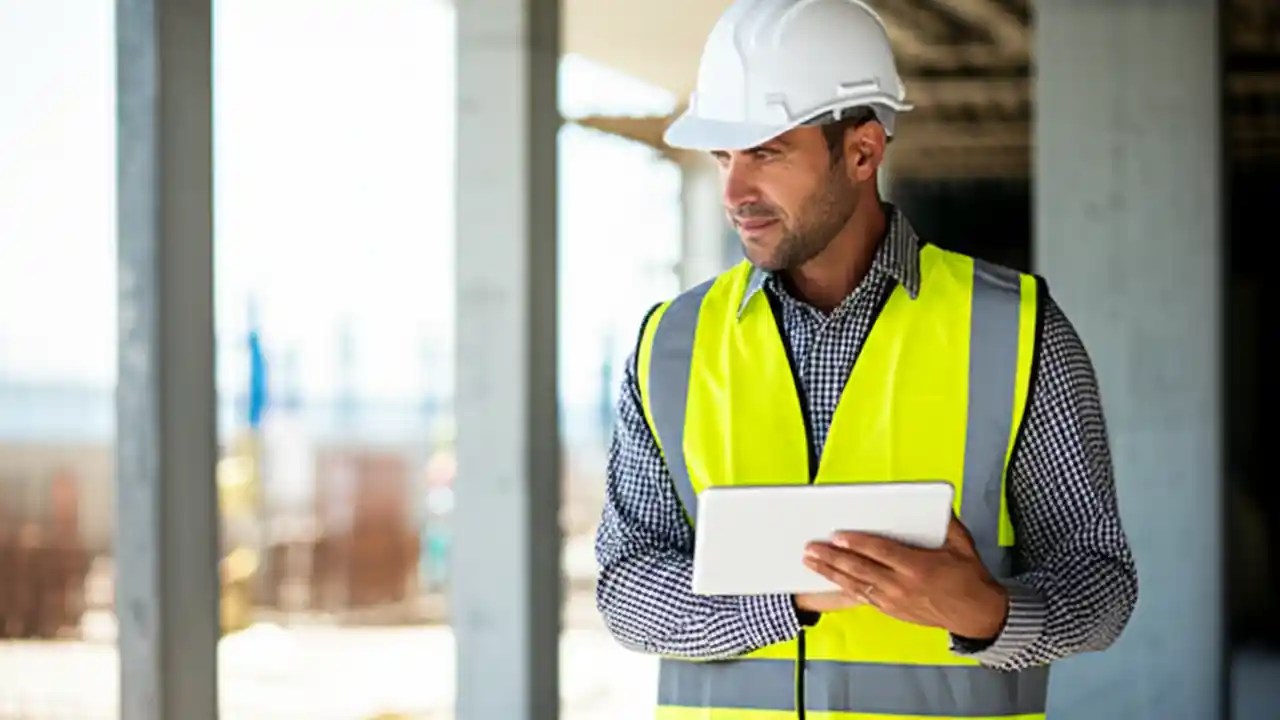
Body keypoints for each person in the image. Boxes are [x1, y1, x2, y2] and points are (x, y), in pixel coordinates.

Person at [593, 1, 1139, 718]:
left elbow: (1100, 587)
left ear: (862, 151)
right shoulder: (670, 342)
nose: (733, 194)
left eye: (766, 152)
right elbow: (625, 588)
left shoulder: (1017, 329)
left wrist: (986, 612)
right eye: (724, 156)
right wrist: (787, 597)